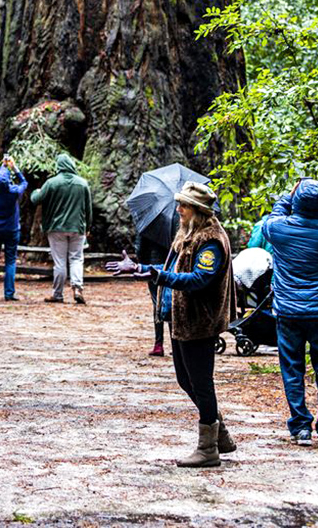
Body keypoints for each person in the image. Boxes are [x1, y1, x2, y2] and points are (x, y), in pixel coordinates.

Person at [107, 181, 236, 468]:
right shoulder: (187, 235)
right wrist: (142, 268)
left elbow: (201, 280)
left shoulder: (211, 240)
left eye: (184, 206)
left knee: (201, 383)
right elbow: (173, 270)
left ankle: (208, 449)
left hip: (198, 321)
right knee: (185, 380)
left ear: (198, 210)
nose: (179, 210)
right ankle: (219, 433)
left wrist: (157, 276)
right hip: (180, 318)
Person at [262, 178, 318, 447]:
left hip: (288, 311)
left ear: (296, 202)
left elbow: (274, 214)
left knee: (292, 369)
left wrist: (288, 196)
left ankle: (300, 428)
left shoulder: (277, 229)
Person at [30, 153, 92, 305]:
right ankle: (77, 288)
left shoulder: (51, 183)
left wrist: (36, 192)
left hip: (56, 228)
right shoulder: (83, 183)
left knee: (60, 262)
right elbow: (88, 208)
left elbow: (36, 200)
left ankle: (57, 294)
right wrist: (88, 227)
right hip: (78, 228)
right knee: (76, 258)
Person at [0, 156, 28, 301]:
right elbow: (24, 182)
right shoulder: (13, 191)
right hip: (11, 230)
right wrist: (14, 168)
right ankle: (9, 294)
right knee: (10, 261)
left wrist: (3, 166)